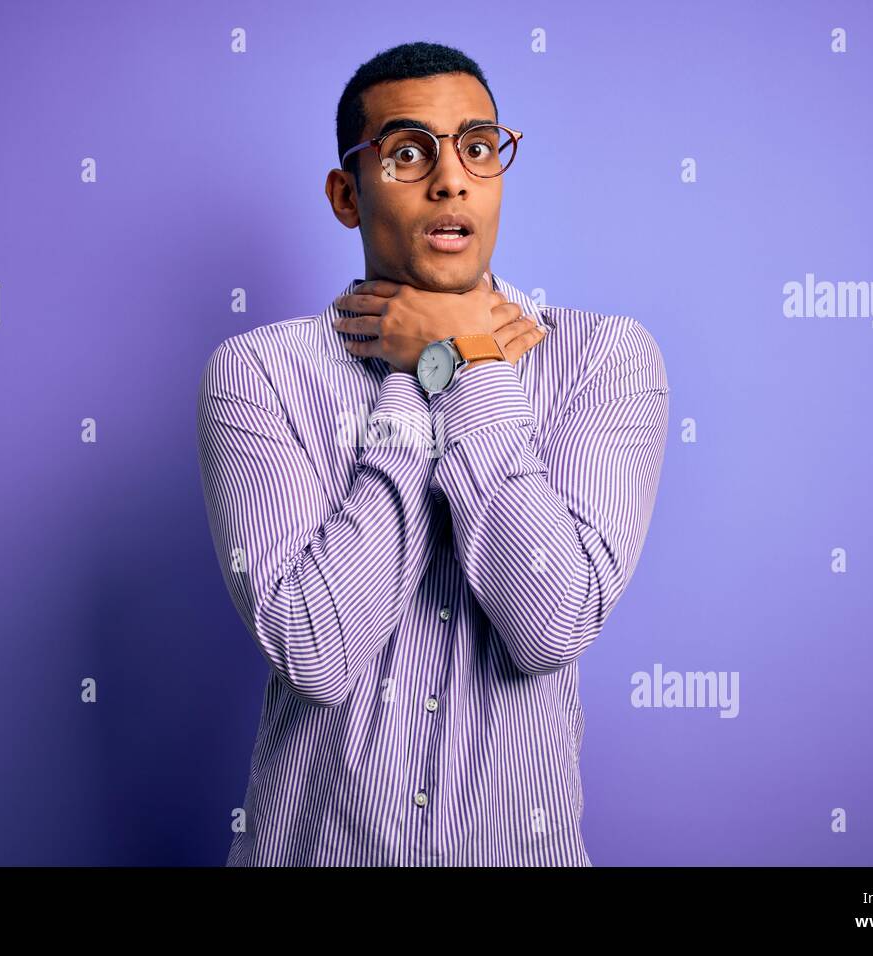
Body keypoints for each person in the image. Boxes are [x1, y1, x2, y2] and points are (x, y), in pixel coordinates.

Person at [195, 41, 669, 866]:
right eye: (409, 152)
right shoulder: (258, 375)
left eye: (478, 147)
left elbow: (551, 623)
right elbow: (316, 650)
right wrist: (437, 371)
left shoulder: (606, 359)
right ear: (348, 194)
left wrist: (469, 369)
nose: (451, 179)